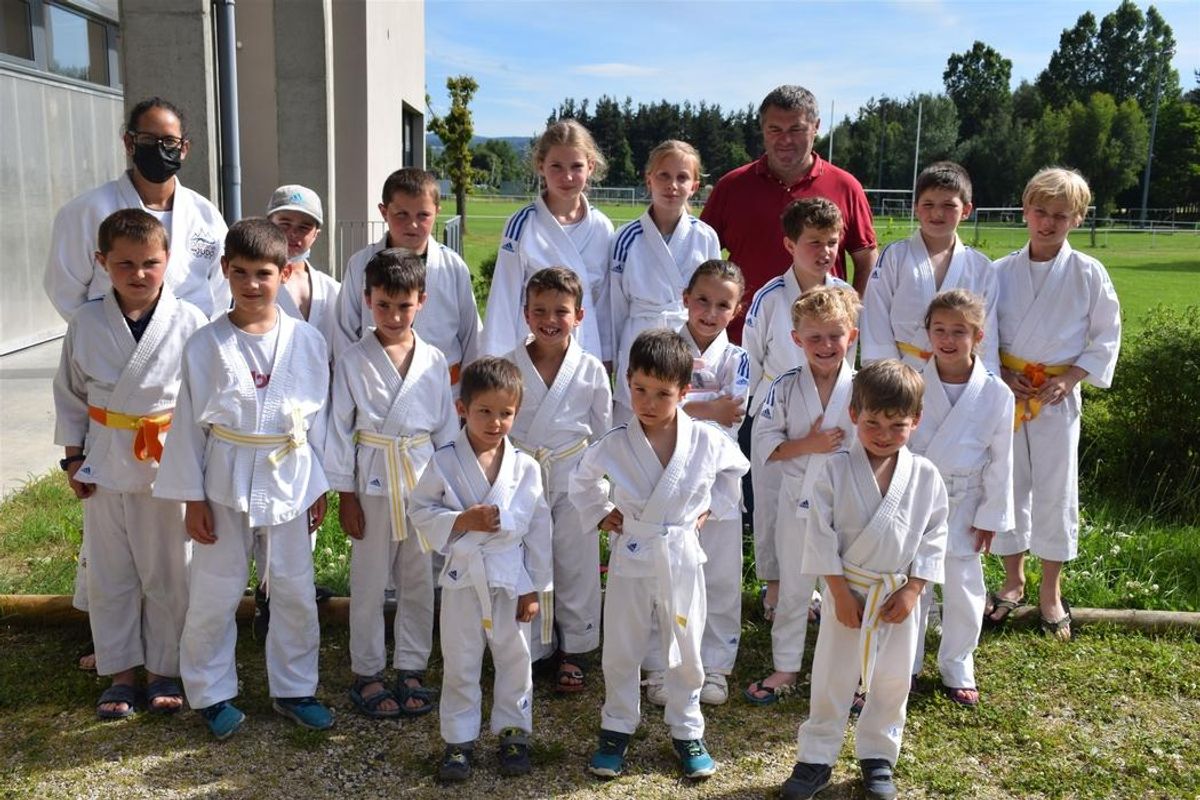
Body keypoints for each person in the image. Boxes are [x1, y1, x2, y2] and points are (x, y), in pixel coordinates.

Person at [155, 219, 333, 739]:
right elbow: (187, 424)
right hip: (223, 478)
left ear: (286, 273)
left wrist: (319, 483)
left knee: (296, 591)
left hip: (291, 476)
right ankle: (210, 693)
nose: (252, 284)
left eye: (264, 273)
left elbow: (318, 420)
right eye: (241, 273)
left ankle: (296, 688)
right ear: (225, 271)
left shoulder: (307, 341)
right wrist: (192, 498)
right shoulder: (205, 344)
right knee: (214, 590)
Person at [571, 330, 749, 780]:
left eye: (663, 394)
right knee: (623, 646)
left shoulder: (706, 440)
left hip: (682, 553)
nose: (648, 402)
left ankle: (688, 729)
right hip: (633, 551)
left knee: (686, 645)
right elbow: (582, 479)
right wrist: (600, 512)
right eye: (640, 390)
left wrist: (713, 507)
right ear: (627, 381)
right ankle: (616, 726)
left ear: (684, 392)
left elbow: (736, 473)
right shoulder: (615, 441)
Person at [52, 209, 207, 720]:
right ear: (102, 263)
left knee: (169, 569)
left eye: (149, 263)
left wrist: (201, 466)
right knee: (111, 570)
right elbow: (71, 395)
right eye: (125, 264)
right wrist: (73, 457)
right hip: (104, 459)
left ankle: (165, 669)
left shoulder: (189, 321)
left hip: (168, 460)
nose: (138, 273)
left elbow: (204, 399)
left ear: (168, 261)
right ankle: (119, 672)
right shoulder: (87, 322)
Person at [781, 361, 948, 800]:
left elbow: (935, 535)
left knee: (893, 680)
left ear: (917, 421)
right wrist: (836, 592)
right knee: (832, 677)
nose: (883, 433)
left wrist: (914, 588)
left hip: (896, 595)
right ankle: (815, 758)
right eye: (872, 422)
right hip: (847, 590)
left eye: (897, 425)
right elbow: (819, 534)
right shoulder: (834, 471)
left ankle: (878, 756)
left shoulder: (925, 476)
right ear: (853, 414)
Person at [986, 168, 1121, 640]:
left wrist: (1072, 377)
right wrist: (1001, 372)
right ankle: (1011, 579)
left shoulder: (1088, 273)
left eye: (1059, 216)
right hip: (1010, 392)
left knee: (1055, 490)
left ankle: (1050, 592)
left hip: (1056, 395)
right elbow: (982, 334)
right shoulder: (999, 271)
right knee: (1007, 485)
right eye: (1040, 212)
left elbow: (1106, 336)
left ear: (1077, 219)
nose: (1047, 223)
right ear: (1025, 211)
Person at [325, 250, 457, 719]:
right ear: (367, 301)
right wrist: (345, 495)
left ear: (421, 301)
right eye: (383, 305)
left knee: (419, 578)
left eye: (403, 306)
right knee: (367, 579)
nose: (394, 316)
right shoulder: (353, 359)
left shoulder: (435, 360)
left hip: (420, 481)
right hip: (373, 482)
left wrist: (449, 488)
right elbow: (339, 429)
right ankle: (366, 670)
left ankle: (411, 665)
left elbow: (445, 429)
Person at [409, 357, 553, 782]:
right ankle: (458, 740)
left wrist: (534, 589)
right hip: (462, 578)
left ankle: (514, 730)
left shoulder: (525, 466)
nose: (495, 422)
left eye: (505, 413)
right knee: (461, 657)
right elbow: (420, 510)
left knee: (516, 656)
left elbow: (539, 529)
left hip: (511, 577)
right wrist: (460, 521)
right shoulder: (444, 460)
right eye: (484, 412)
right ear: (462, 409)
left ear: (517, 412)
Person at [641, 260, 750, 708]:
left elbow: (735, 409)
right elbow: (653, 405)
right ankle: (658, 665)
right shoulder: (662, 348)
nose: (709, 311)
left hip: (718, 474)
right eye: (702, 300)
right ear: (685, 298)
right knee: (663, 571)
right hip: (666, 470)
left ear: (736, 309)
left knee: (720, 574)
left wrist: (684, 404)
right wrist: (707, 406)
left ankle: (716, 665)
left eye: (722, 304)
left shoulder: (738, 356)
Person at [745, 286, 860, 705]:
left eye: (835, 336)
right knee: (794, 590)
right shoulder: (783, 387)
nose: (825, 346)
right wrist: (809, 443)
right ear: (797, 340)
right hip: (797, 503)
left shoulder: (865, 388)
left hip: (850, 509)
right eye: (814, 338)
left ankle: (846, 672)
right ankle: (786, 665)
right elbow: (764, 446)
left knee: (844, 590)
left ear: (853, 335)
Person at [745, 198, 854, 625]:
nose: (824, 251)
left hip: (833, 410)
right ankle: (776, 587)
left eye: (831, 242)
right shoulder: (769, 296)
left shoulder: (844, 294)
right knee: (773, 503)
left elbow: (849, 355)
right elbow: (750, 360)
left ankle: (829, 586)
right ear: (790, 244)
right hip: (779, 406)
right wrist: (751, 416)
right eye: (814, 242)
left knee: (830, 502)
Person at [503, 268, 612, 691]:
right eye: (540, 310)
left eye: (561, 311)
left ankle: (575, 647)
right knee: (525, 559)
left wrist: (601, 493)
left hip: (573, 475)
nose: (550, 319)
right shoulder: (508, 366)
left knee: (576, 561)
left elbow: (604, 436)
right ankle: (530, 647)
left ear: (579, 315)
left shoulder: (589, 370)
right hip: (523, 475)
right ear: (526, 315)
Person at [701, 84, 877, 337]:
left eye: (796, 129)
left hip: (821, 339)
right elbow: (703, 258)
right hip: (744, 335)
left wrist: (852, 312)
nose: (785, 139)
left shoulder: (845, 186)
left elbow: (866, 260)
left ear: (816, 127)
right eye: (775, 129)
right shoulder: (732, 186)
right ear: (763, 129)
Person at [908, 290, 1013, 707]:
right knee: (912, 582)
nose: (948, 340)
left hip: (967, 497)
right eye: (939, 330)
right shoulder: (912, 380)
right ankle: (906, 663)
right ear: (928, 333)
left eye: (959, 332)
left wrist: (991, 514)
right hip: (917, 495)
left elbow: (1002, 459)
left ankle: (957, 663)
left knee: (965, 587)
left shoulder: (996, 392)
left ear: (978, 336)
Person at [45, 96, 228, 321]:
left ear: (184, 148)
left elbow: (221, 288)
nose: (159, 149)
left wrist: (202, 340)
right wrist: (98, 335)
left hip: (190, 345)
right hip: (114, 347)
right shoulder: (87, 211)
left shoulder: (205, 214)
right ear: (129, 143)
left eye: (170, 141)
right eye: (148, 140)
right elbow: (64, 289)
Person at [335, 168, 480, 394]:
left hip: (443, 390)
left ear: (437, 212)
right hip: (375, 390)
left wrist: (471, 394)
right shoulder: (361, 264)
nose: (412, 225)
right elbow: (344, 332)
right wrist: (350, 389)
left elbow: (472, 336)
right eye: (401, 214)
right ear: (384, 212)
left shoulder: (452, 267)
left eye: (423, 215)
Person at [481, 120, 615, 362]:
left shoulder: (601, 226)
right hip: (535, 341)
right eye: (556, 166)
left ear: (591, 167)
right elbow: (504, 294)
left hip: (587, 342)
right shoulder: (521, 224)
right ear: (541, 166)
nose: (567, 176)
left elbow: (605, 299)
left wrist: (606, 356)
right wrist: (496, 360)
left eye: (577, 166)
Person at [610, 140, 722, 422]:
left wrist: (715, 351)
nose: (672, 185)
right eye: (664, 175)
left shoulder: (706, 236)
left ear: (694, 186)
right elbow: (615, 305)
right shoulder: (626, 237)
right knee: (637, 420)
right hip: (639, 335)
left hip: (687, 337)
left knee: (686, 423)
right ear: (649, 180)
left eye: (682, 177)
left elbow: (717, 297)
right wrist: (611, 355)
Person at [859, 161, 999, 374]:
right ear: (915, 208)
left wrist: (986, 379)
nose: (937, 213)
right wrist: (885, 376)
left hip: (958, 376)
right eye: (928, 204)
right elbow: (875, 316)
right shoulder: (894, 256)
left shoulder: (981, 267)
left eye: (948, 205)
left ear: (966, 210)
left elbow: (987, 333)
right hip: (902, 372)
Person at [267, 184, 341, 354]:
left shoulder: (331, 289)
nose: (293, 233)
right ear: (268, 224)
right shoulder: (253, 284)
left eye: (304, 227)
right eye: (284, 224)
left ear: (316, 234)